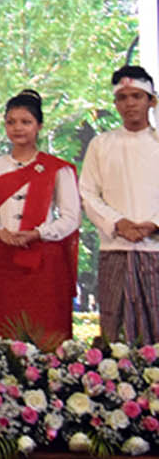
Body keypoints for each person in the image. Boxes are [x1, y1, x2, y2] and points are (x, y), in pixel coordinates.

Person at [0, 89, 79, 344]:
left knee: (49, 330)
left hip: (46, 260)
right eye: (11, 122)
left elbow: (71, 218)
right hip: (5, 257)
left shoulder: (58, 168)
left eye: (26, 122)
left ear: (39, 126)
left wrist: (38, 233)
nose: (18, 128)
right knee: (10, 332)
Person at [79, 65, 159, 345]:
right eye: (122, 98)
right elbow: (88, 193)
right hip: (115, 248)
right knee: (116, 332)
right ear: (115, 103)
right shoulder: (101, 144)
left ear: (151, 100)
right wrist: (118, 223)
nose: (129, 104)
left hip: (155, 247)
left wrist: (153, 224)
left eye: (137, 96)